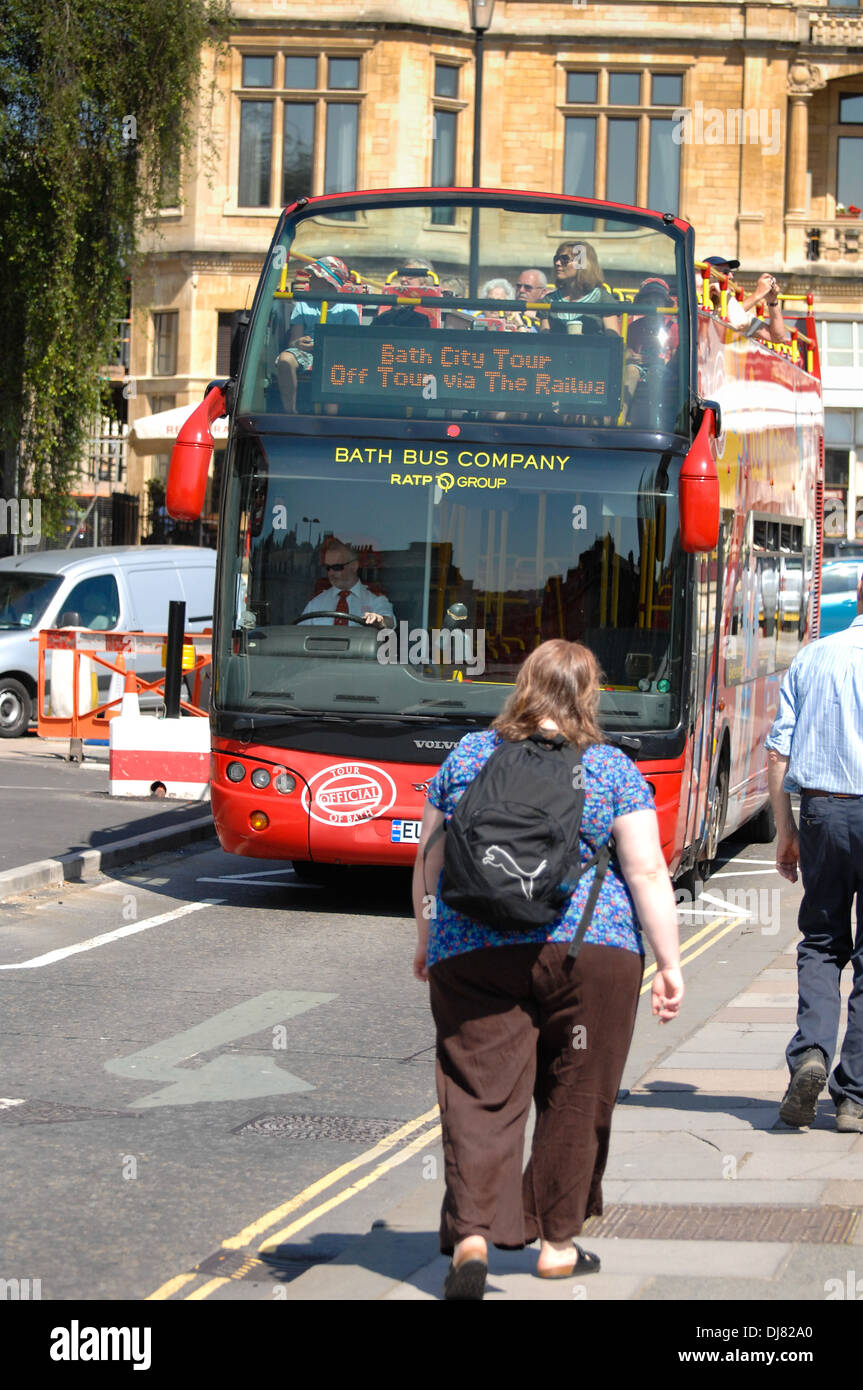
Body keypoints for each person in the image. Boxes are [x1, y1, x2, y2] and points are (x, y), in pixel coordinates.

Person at [411, 639, 683, 1299]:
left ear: (523, 686)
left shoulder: (469, 757)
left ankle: (472, 1235)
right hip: (590, 952)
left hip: (474, 950)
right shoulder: (612, 767)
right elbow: (645, 869)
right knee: (577, 1093)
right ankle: (557, 1245)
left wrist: (426, 936)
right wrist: (670, 963)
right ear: (589, 694)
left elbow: (428, 859)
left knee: (478, 1094)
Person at [765, 569, 863, 1134]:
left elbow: (779, 750)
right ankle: (852, 1098)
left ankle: (810, 1056)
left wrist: (787, 831)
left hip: (824, 811)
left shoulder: (812, 658)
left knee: (822, 939)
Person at [276, 257, 359, 412]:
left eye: (314, 277)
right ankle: (290, 412)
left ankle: (330, 418)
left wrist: (325, 346)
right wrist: (298, 343)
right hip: (307, 352)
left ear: (328, 283)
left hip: (337, 353)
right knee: (285, 360)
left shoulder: (348, 307)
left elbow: (352, 342)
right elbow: (293, 341)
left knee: (332, 363)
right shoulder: (303, 304)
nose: (310, 280)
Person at [300, 538, 394, 628]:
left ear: (354, 566)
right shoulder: (316, 603)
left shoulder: (374, 598)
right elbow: (298, 633)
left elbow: (388, 621)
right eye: (328, 568)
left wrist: (379, 621)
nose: (331, 573)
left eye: (337, 567)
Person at [702, 257, 788, 344]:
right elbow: (736, 321)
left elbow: (779, 337)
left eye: (731, 273)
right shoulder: (701, 303)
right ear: (709, 277)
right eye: (725, 273)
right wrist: (757, 294)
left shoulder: (733, 308)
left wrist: (772, 301)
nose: (731, 276)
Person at [542, 242, 620, 335]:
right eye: (556, 259)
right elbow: (543, 339)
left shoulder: (602, 298)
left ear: (583, 264)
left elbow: (613, 339)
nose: (557, 263)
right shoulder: (549, 300)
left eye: (564, 259)